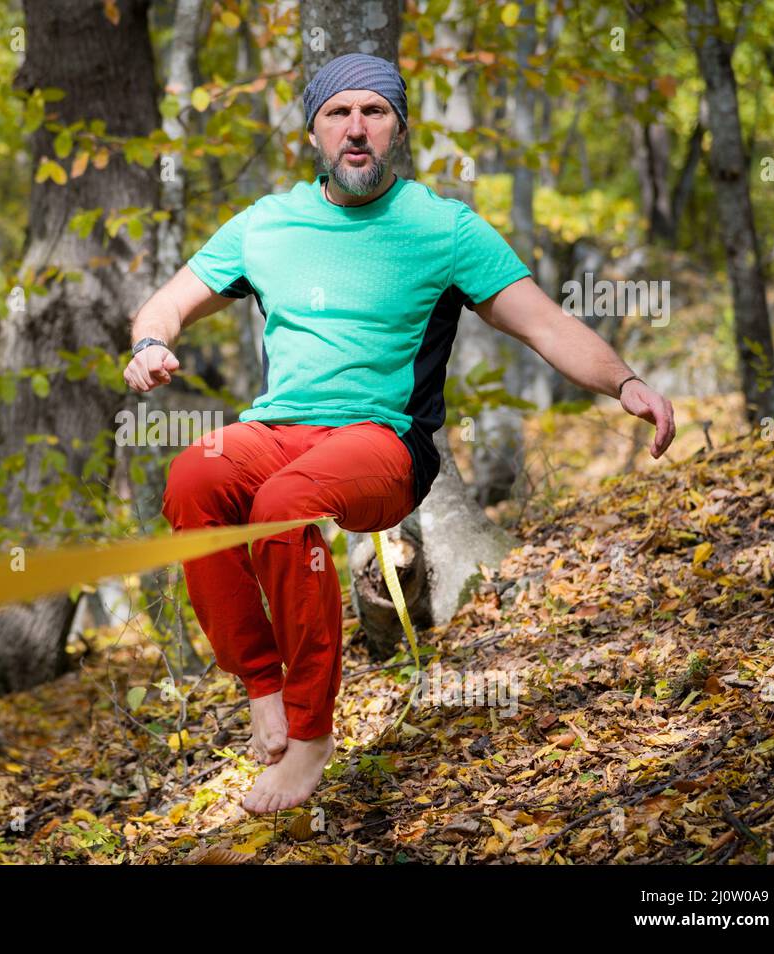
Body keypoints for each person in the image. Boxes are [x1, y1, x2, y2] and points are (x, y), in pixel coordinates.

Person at [123, 53, 676, 814]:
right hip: (280, 430)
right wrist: (150, 343)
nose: (357, 128)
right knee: (193, 477)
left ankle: (312, 735)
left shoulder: (443, 227)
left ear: (398, 128)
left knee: (284, 502)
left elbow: (545, 324)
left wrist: (626, 381)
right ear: (314, 129)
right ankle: (264, 686)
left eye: (374, 113)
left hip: (383, 445)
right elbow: (167, 303)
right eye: (339, 113)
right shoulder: (266, 225)